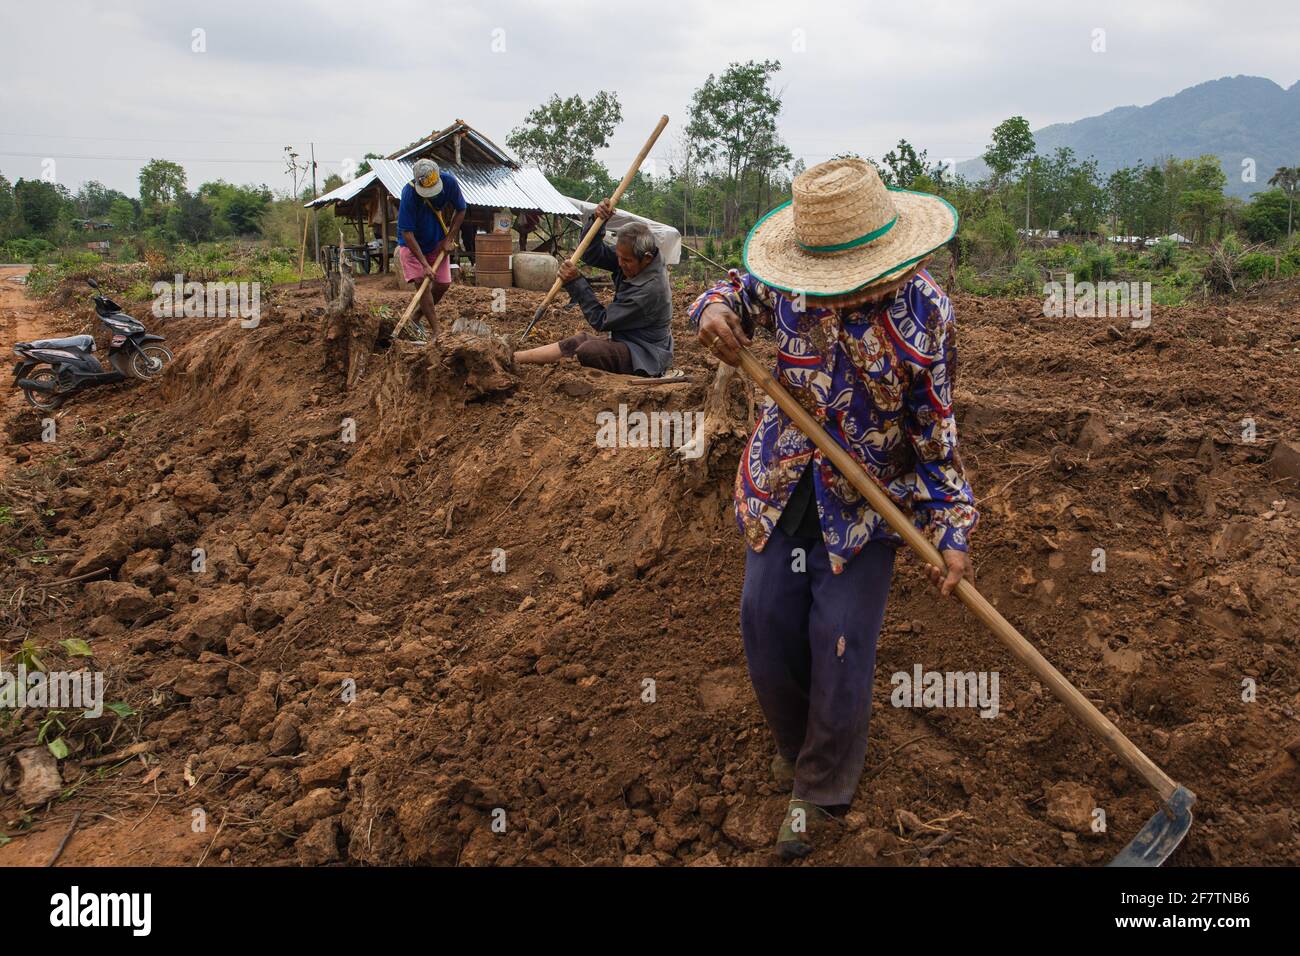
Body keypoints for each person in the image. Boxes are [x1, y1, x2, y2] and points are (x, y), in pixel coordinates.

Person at [689, 158, 978, 859]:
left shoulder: (924, 313)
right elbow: (726, 291)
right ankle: (795, 745)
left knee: (841, 637)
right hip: (783, 476)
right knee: (765, 620)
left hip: (870, 497)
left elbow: (934, 429)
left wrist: (951, 525)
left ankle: (822, 788)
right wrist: (716, 312)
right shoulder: (786, 283)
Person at [513, 200, 673, 377]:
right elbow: (593, 254)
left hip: (645, 353)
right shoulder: (632, 257)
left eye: (626, 261)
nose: (620, 264)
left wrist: (576, 282)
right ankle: (515, 357)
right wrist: (597, 221)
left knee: (589, 350)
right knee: (578, 341)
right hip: (625, 339)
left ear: (647, 259)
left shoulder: (650, 290)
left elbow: (601, 320)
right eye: (619, 257)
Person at [396, 158, 467, 335]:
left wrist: (449, 239)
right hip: (413, 247)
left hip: (437, 241)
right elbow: (407, 232)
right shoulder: (409, 194)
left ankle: (417, 315)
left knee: (443, 284)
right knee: (422, 283)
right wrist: (424, 264)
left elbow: (461, 209)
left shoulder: (449, 182)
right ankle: (436, 330)